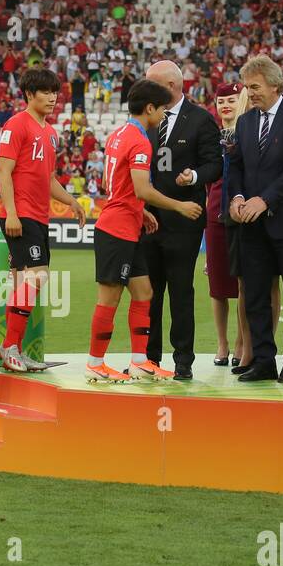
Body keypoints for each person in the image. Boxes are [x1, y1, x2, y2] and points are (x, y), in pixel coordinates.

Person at [86, 79, 204, 383]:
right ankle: (95, 362)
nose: (164, 115)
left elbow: (120, 185)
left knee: (144, 292)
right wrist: (179, 206)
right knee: (109, 298)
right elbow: (141, 188)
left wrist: (142, 213)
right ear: (149, 108)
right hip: (117, 230)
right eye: (162, 109)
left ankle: (140, 361)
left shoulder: (118, 134)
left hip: (128, 225)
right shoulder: (140, 141)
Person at [224, 55, 283, 382]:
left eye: (255, 87)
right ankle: (263, 360)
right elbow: (235, 167)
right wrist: (236, 197)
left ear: (275, 85)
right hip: (251, 225)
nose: (251, 93)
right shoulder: (245, 122)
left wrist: (264, 200)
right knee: (256, 295)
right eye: (247, 87)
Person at [0, 68, 86, 373]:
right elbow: (3, 171)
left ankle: (14, 350)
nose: (52, 98)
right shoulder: (16, 125)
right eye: (46, 92)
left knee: (25, 280)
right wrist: (11, 212)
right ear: (29, 94)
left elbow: (48, 179)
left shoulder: (50, 132)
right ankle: (10, 346)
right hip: (21, 215)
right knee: (37, 276)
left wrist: (72, 201)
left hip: (39, 216)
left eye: (55, 92)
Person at [138, 59, 222, 379]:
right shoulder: (145, 120)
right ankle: (150, 357)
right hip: (148, 220)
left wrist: (196, 175)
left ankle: (183, 359)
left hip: (184, 221)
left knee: (181, 292)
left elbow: (215, 165)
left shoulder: (201, 120)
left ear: (171, 87)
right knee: (150, 293)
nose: (146, 90)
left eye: (152, 84)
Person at [207, 82, 250, 368]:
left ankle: (239, 342)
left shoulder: (247, 134)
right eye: (221, 101)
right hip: (213, 216)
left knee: (243, 284)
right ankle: (222, 343)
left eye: (232, 100)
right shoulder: (210, 136)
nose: (226, 105)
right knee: (217, 286)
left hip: (241, 215)